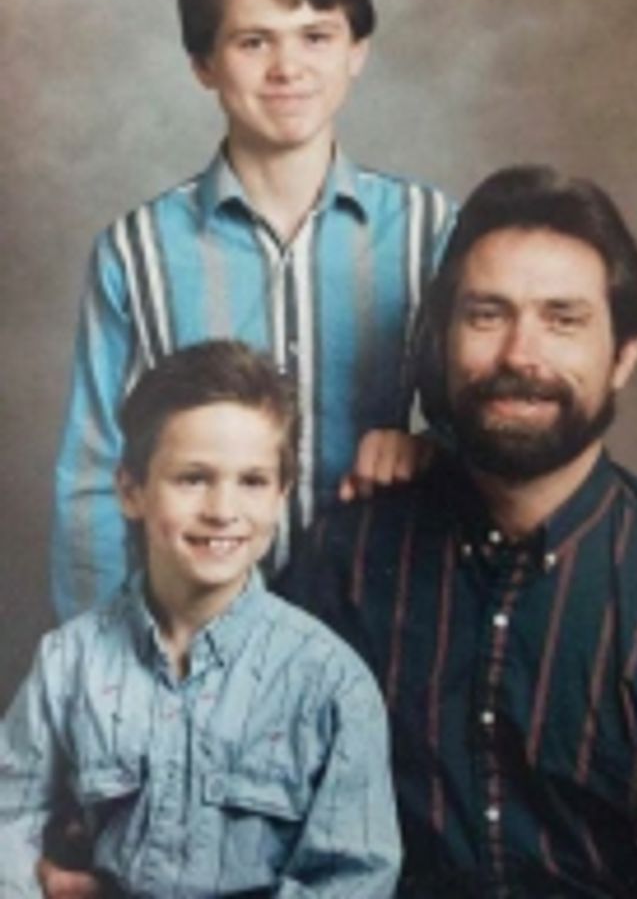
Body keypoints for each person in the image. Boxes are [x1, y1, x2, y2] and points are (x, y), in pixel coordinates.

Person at [279, 165, 637, 897]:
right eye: (487, 315)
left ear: (623, 356)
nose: (521, 355)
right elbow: (259, 808)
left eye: (563, 319)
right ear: (440, 342)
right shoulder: (347, 561)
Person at [50, 0, 454, 621]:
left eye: (316, 36)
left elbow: (485, 432)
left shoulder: (428, 231)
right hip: (193, 633)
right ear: (203, 64)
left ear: (357, 50)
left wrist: (428, 445)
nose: (288, 68)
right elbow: (92, 485)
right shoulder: (136, 254)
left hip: (381, 626)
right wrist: (103, 661)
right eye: (253, 41)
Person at [1, 340, 400, 898]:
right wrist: (29, 885)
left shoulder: (331, 683)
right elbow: (9, 816)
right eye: (192, 478)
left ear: (281, 495)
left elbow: (354, 878)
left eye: (252, 481)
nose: (222, 510)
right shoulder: (70, 663)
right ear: (131, 490)